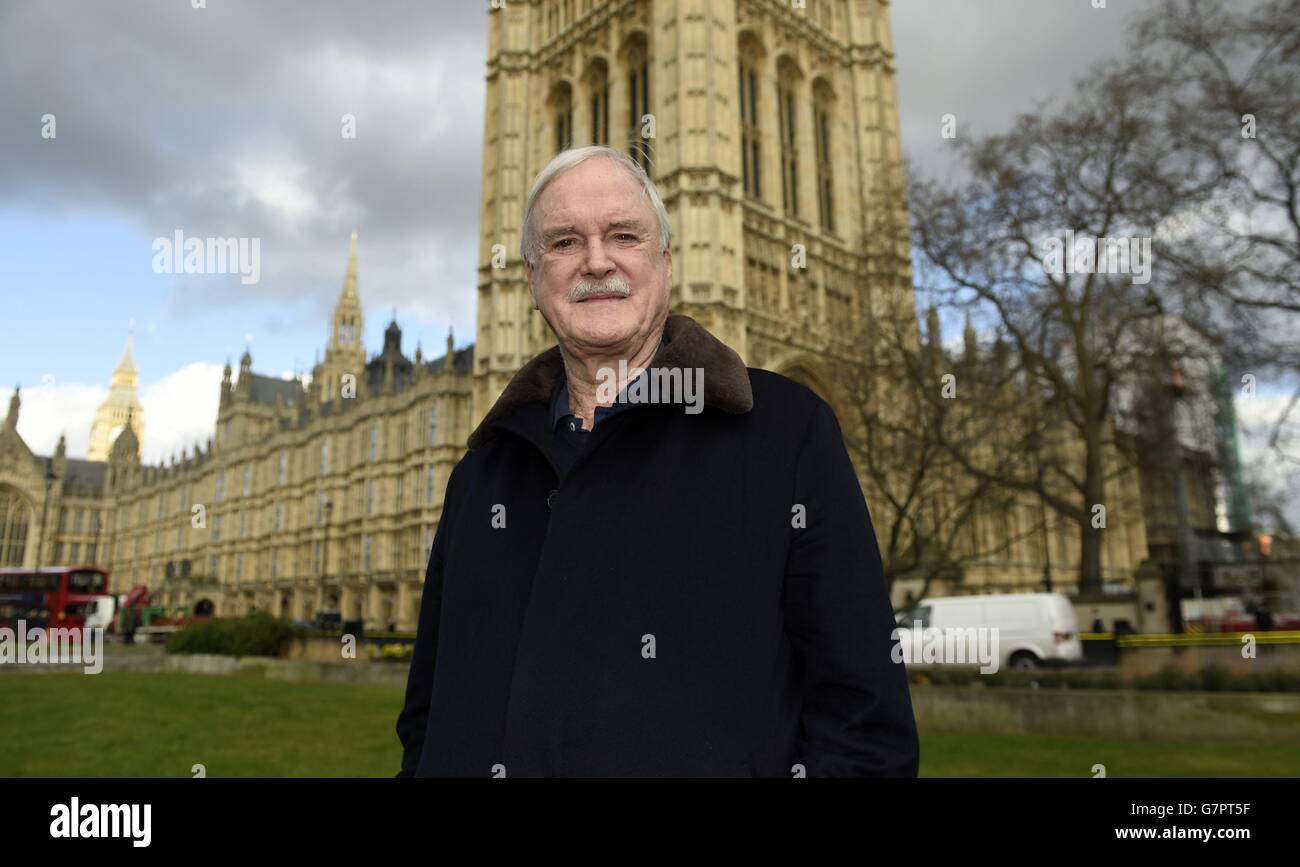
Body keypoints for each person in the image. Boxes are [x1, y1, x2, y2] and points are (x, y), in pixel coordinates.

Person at [395, 145, 919, 777]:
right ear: (532, 280)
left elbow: (864, 728)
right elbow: (426, 718)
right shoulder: (482, 474)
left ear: (666, 263)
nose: (596, 261)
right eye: (563, 242)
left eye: (624, 235)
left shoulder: (784, 433)